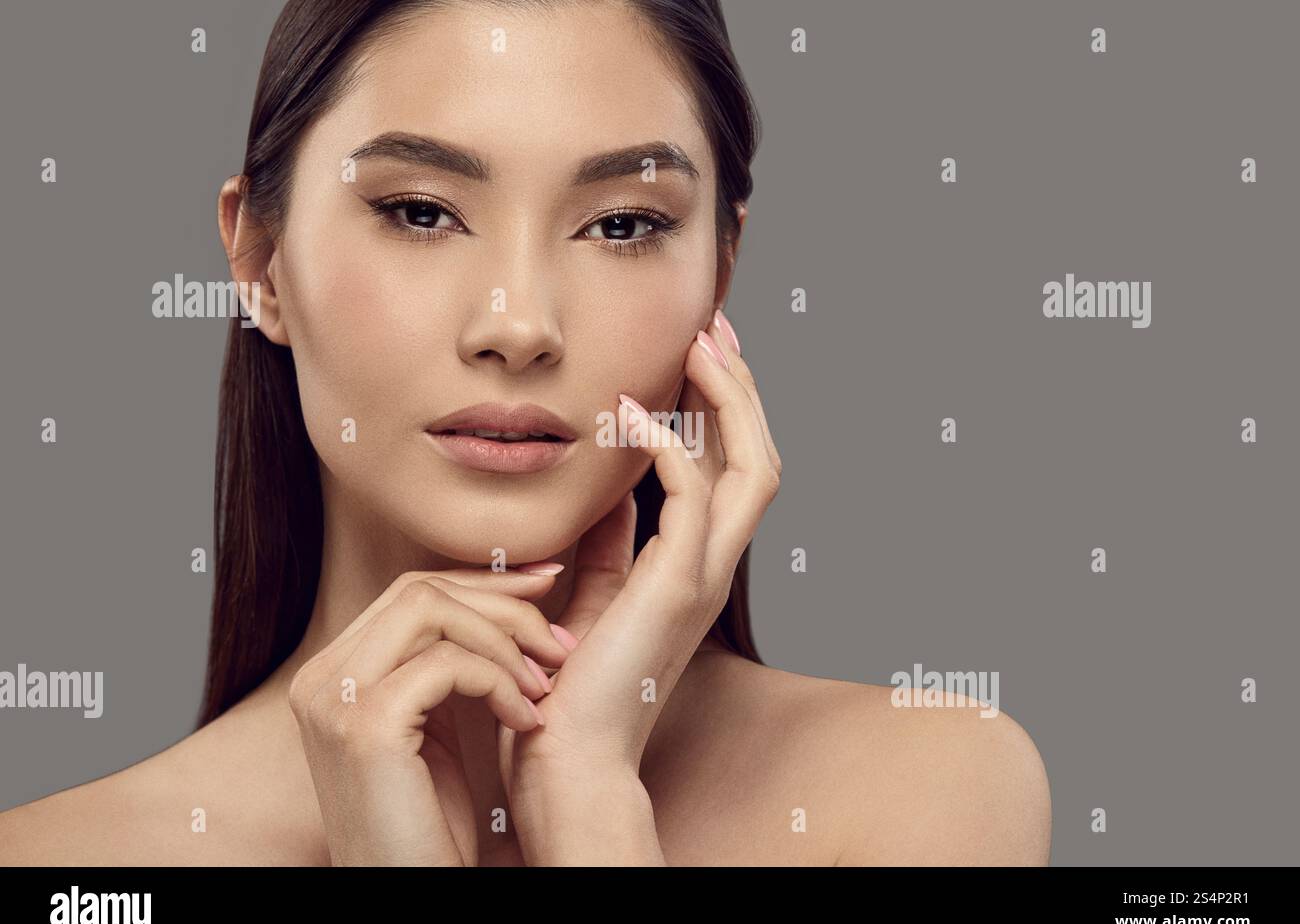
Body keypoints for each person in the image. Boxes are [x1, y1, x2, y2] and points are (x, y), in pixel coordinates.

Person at [0, 0, 1050, 866]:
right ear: (259, 260)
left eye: (623, 224)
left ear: (718, 273)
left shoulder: (923, 790)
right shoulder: (68, 870)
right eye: (419, 210)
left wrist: (589, 804)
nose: (518, 325)